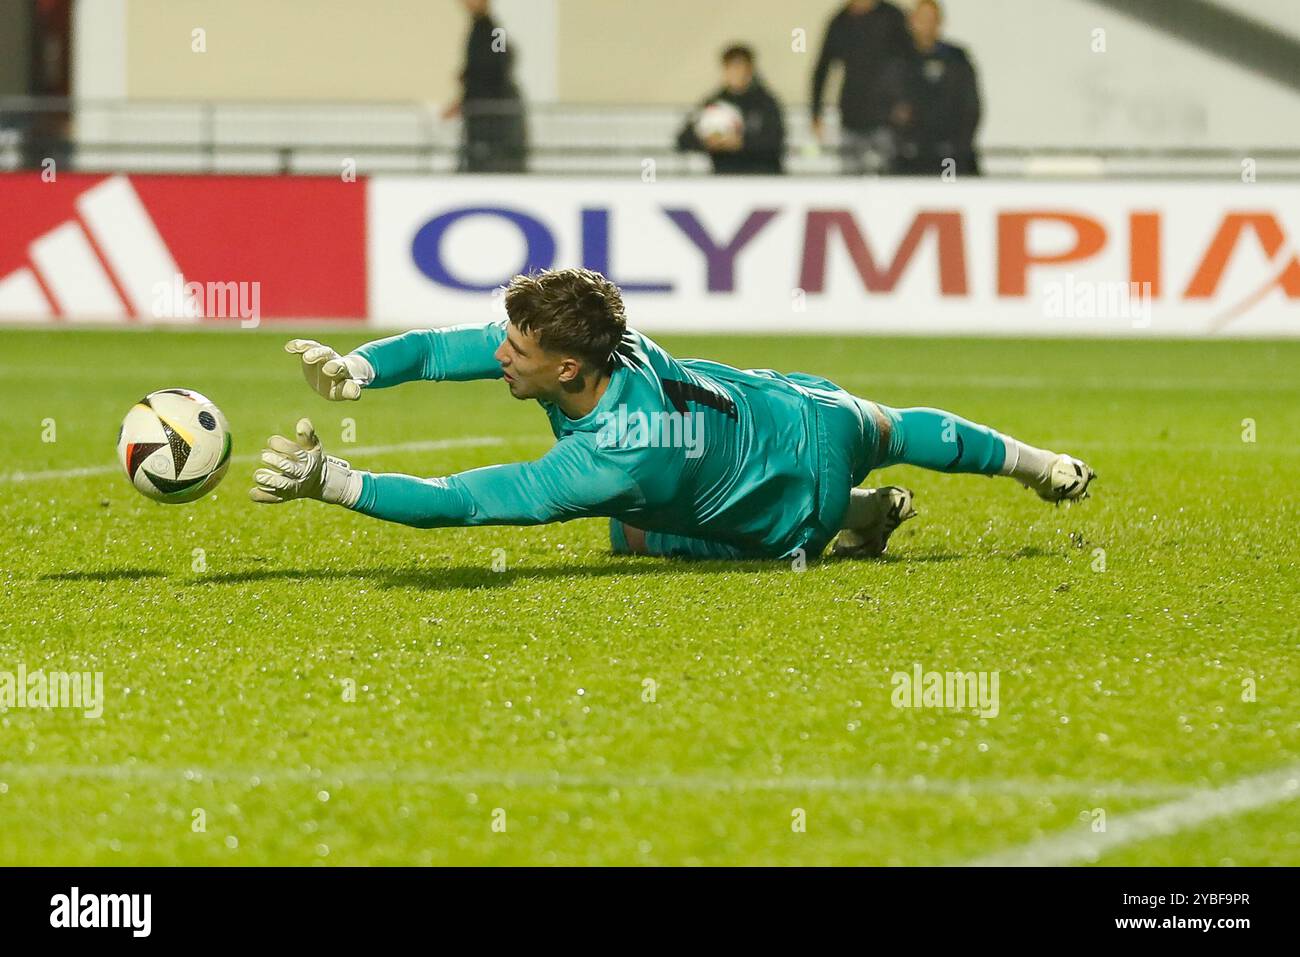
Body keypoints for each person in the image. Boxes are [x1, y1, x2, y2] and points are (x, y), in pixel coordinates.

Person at [250, 268, 1095, 561]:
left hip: (795, 514)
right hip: (810, 414)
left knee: (633, 533)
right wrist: (360, 368)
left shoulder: (610, 460)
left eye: (513, 345)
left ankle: (854, 514)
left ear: (566, 367)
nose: (497, 352)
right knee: (901, 429)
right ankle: (1042, 466)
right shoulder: (608, 338)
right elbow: (443, 350)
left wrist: (336, 481)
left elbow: (463, 499)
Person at [810, 0, 913, 175]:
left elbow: (911, 62)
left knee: (887, 181)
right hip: (851, 117)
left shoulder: (891, 16)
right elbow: (822, 68)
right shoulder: (840, 21)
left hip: (886, 119)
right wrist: (816, 113)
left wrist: (905, 101)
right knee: (850, 182)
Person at [883, 0, 982, 176]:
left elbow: (970, 107)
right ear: (911, 22)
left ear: (940, 22)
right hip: (910, 156)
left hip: (951, 155)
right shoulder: (898, 61)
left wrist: (959, 146)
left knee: (952, 189)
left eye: (931, 19)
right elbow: (887, 104)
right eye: (921, 19)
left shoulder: (956, 59)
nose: (926, 25)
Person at [443, 0, 527, 173]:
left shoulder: (495, 30)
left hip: (491, 114)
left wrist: (471, 78)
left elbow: (502, 60)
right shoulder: (478, 29)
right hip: (481, 111)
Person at [676, 44, 786, 175]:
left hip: (762, 175)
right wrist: (709, 142)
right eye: (731, 67)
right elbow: (683, 140)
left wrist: (741, 143)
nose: (736, 73)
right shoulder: (714, 104)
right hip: (725, 176)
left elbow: (775, 141)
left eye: (740, 67)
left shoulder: (766, 103)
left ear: (750, 70)